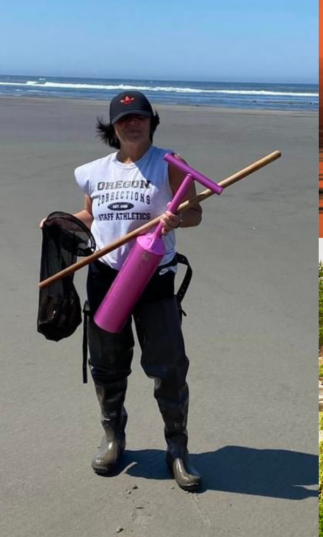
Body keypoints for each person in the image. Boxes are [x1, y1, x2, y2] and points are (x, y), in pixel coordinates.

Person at [71, 90, 204, 491]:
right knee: (106, 364)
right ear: (113, 127)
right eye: (124, 119)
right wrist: (61, 221)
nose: (132, 124)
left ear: (151, 122)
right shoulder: (94, 171)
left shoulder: (170, 163)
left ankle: (177, 449)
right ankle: (113, 438)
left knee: (169, 367)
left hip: (153, 276)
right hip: (106, 275)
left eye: (139, 117)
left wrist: (177, 218)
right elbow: (90, 214)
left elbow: (195, 213)